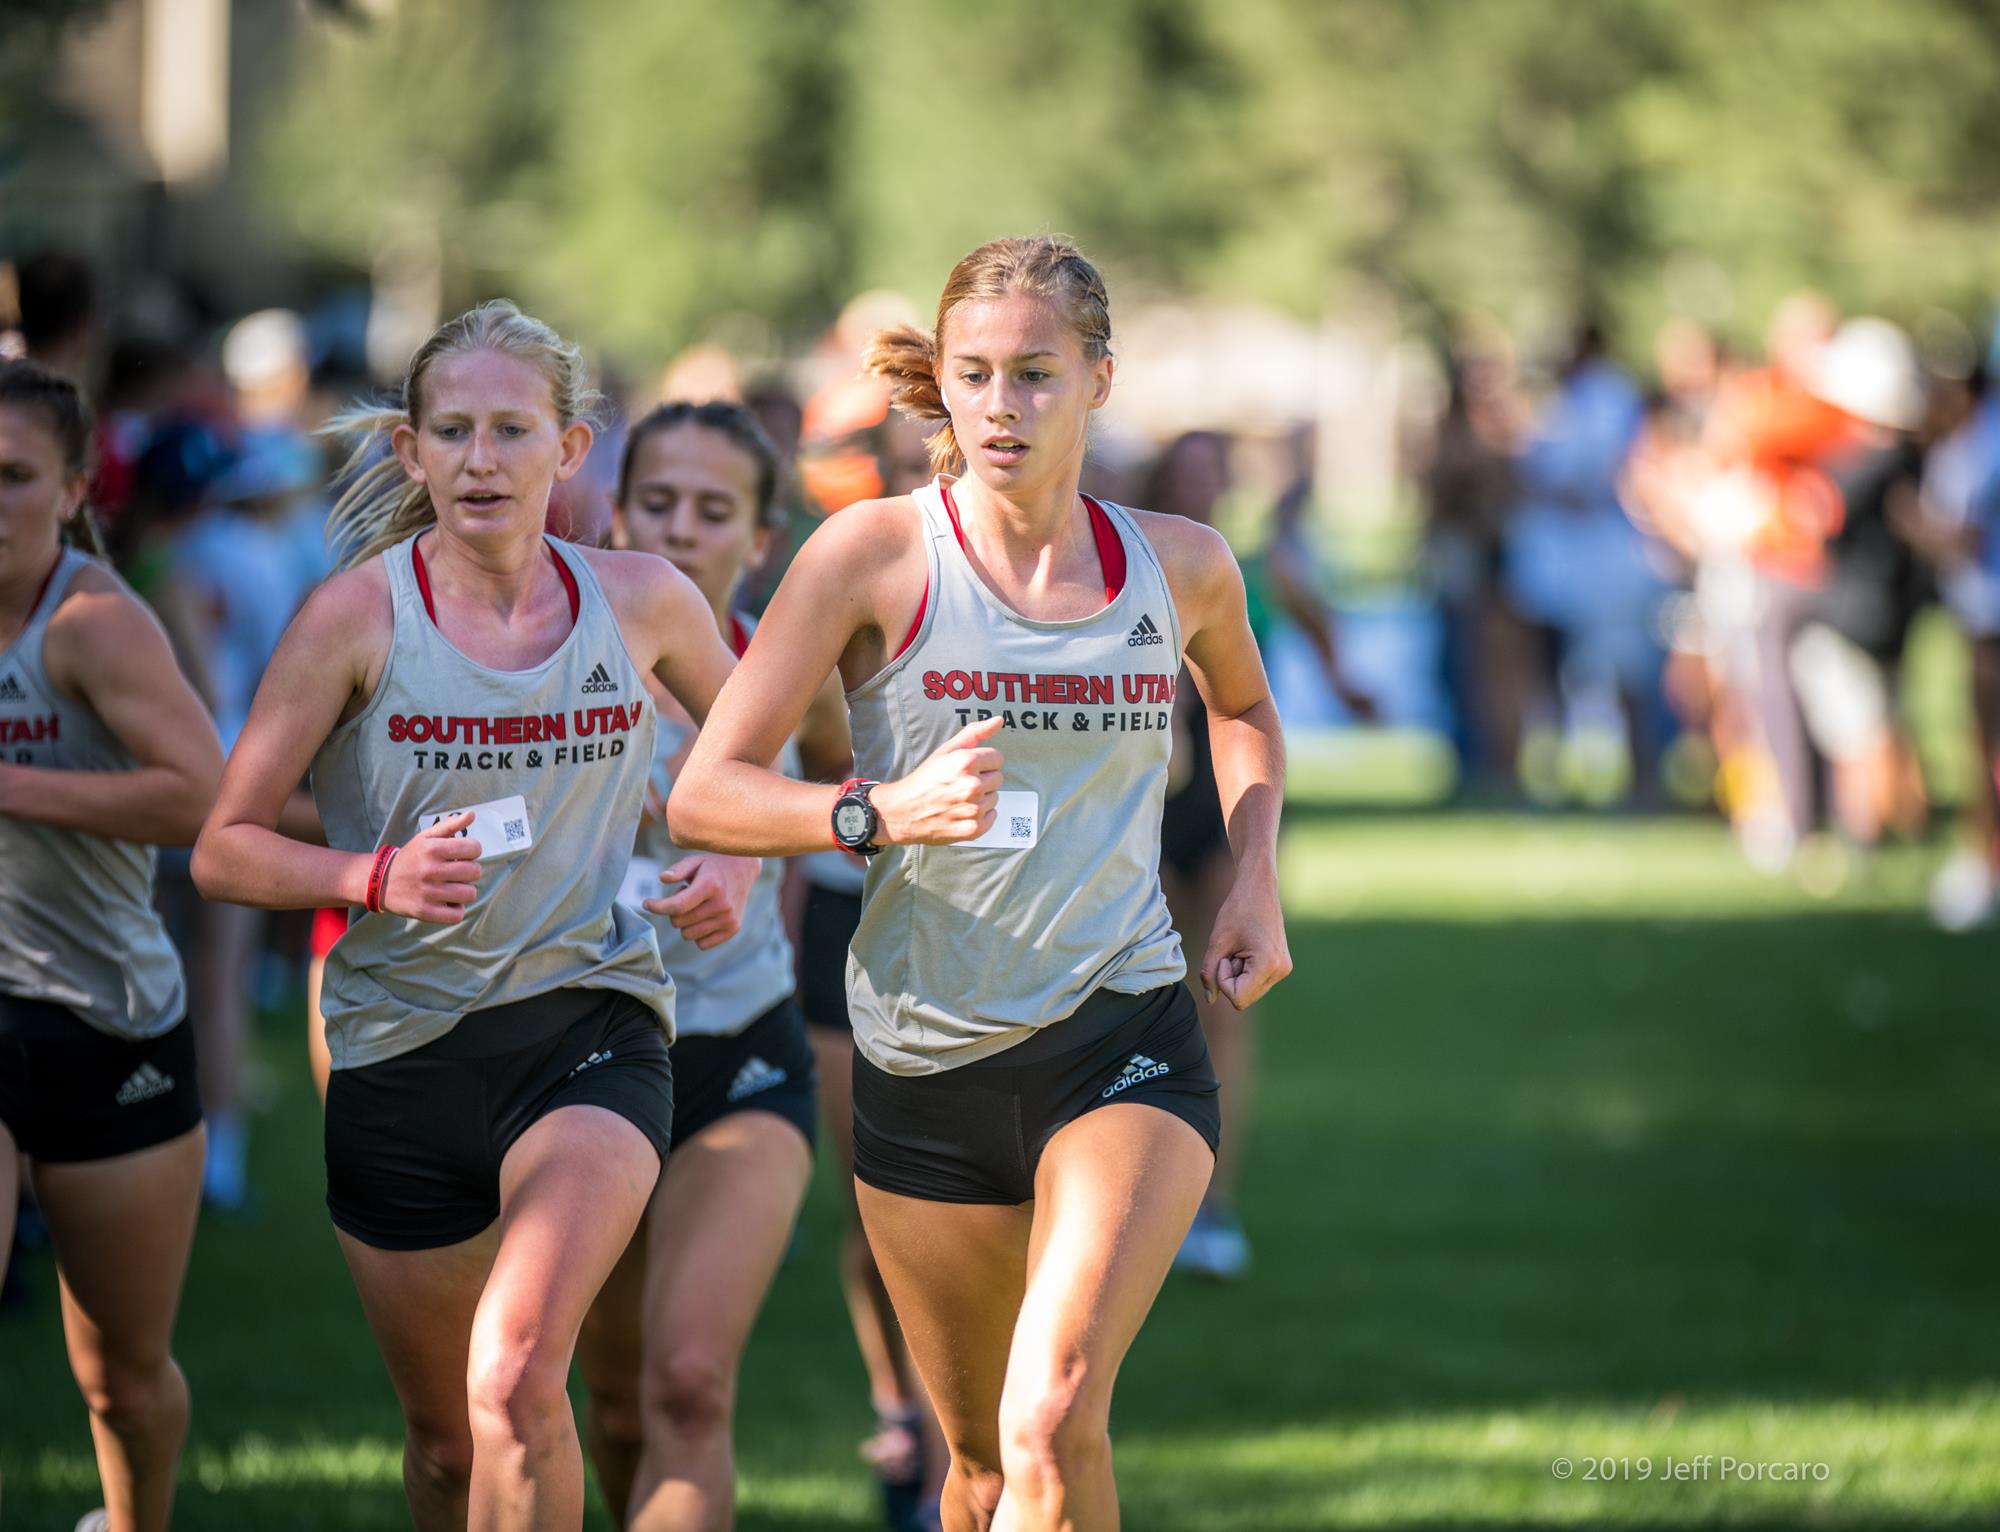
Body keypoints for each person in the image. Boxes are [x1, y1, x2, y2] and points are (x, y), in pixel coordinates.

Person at [669, 236, 1292, 1531]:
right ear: (941, 383)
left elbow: (1242, 709)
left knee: (1052, 1413)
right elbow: (707, 790)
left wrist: (1253, 878)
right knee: (982, 1474)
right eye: (975, 374)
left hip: (1119, 1032)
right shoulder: (869, 555)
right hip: (924, 1058)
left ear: (1099, 379)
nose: (1002, 406)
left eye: (1036, 373)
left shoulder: (1179, 563)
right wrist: (875, 810)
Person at [190, 301, 748, 1532]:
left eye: (511, 430)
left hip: (588, 1023)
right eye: (451, 431)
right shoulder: (352, 617)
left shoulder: (643, 599)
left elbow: (750, 750)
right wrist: (370, 876)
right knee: (448, 1444)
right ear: (410, 450)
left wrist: (736, 863)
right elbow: (223, 847)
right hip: (400, 1049)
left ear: (571, 446)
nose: (481, 459)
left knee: (516, 1374)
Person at [576, 401, 847, 1532]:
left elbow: (847, 786)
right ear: (615, 513)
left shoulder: (791, 674)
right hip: (577, 1060)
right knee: (613, 1401)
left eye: (712, 508)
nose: (680, 529)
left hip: (740, 1050)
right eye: (657, 502)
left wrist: (763, 840)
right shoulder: (546, 658)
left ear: (761, 537)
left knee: (688, 1382)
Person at [0, 360, 222, 1532]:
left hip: (107, 1019)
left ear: (75, 487)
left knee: (122, 1379)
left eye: (13, 474)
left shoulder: (92, 623)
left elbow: (202, 796)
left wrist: (10, 787)